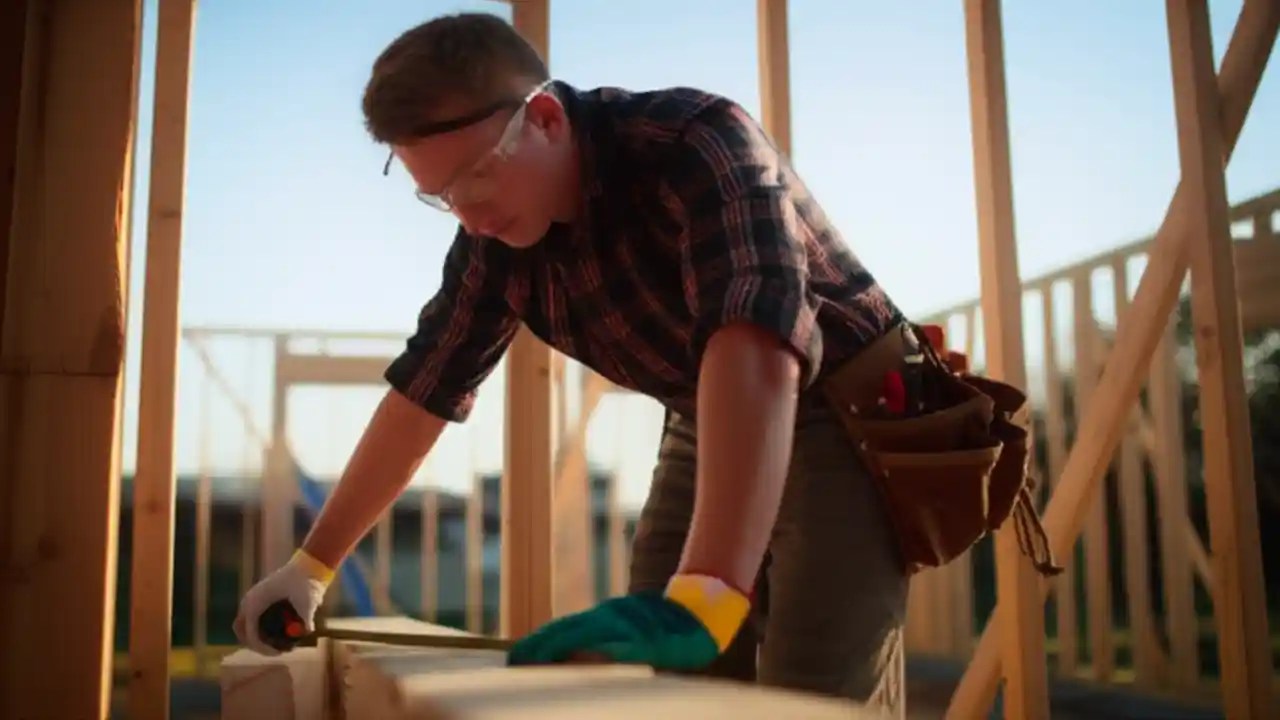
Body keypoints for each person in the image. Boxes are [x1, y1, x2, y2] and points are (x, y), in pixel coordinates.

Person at [233, 12, 909, 715]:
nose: (470, 216)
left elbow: (756, 339)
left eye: (476, 178)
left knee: (810, 687)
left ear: (547, 118)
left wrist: (709, 592)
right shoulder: (493, 244)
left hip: (850, 411)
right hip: (703, 412)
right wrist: (312, 566)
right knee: (660, 685)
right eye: (443, 197)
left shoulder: (695, 142)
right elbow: (423, 391)